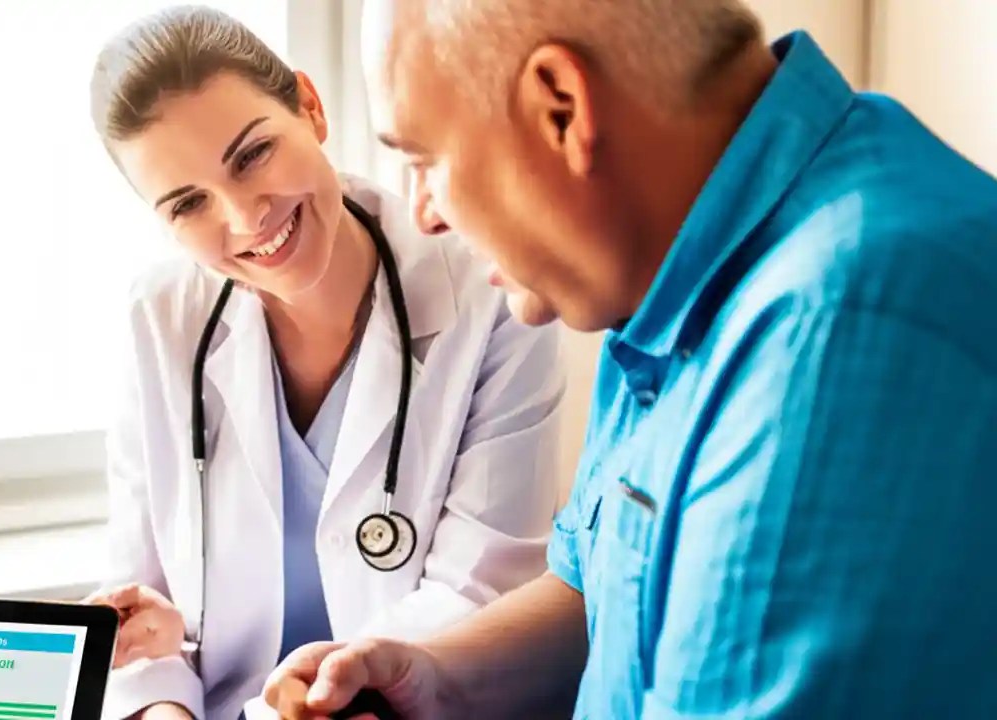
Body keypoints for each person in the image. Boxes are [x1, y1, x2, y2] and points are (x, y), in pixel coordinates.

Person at [264, 0, 997, 717]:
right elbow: (604, 591)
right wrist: (431, 682)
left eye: (425, 159)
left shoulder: (838, 338)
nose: (425, 211)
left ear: (561, 107)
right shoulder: (663, 272)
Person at [83, 6, 567, 720]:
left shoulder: (489, 288)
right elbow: (139, 629)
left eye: (251, 156)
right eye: (189, 204)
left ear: (309, 107)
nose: (246, 218)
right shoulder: (159, 321)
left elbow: (478, 597)